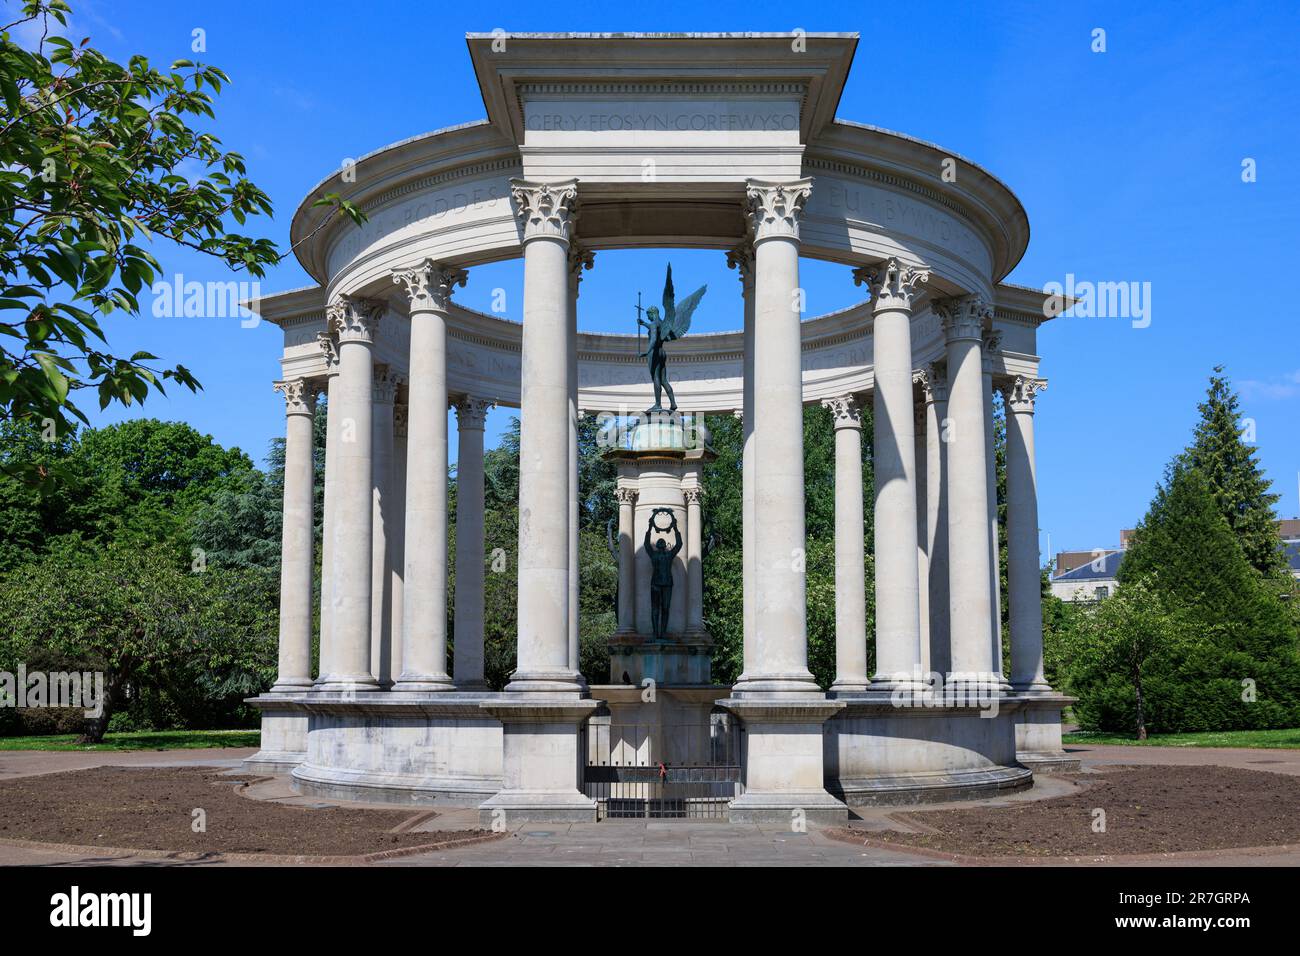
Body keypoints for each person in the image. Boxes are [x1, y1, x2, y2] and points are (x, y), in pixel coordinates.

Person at [643, 508, 682, 639]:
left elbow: (679, 545)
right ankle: (656, 633)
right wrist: (649, 528)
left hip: (665, 584)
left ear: (663, 545)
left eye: (661, 542)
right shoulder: (656, 555)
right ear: (662, 546)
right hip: (658, 584)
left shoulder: (666, 555)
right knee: (658, 610)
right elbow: (647, 544)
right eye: (660, 542)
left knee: (663, 609)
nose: (660, 543)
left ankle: (661, 633)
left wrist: (675, 528)